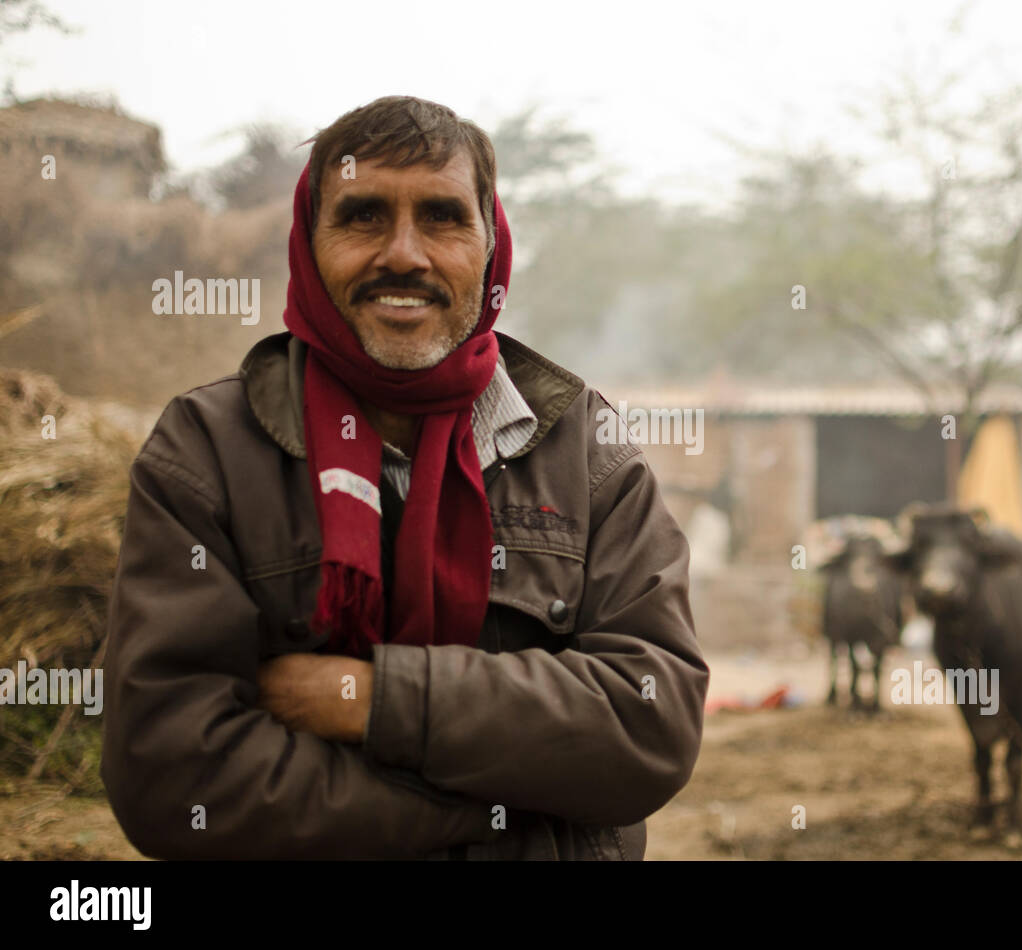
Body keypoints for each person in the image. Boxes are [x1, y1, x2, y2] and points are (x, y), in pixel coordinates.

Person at [100, 95, 709, 860]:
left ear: (492, 245)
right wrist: (491, 825)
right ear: (307, 247)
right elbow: (171, 775)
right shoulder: (206, 455)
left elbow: (651, 723)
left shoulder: (586, 451)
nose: (404, 254)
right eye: (361, 215)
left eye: (443, 217)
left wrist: (371, 700)